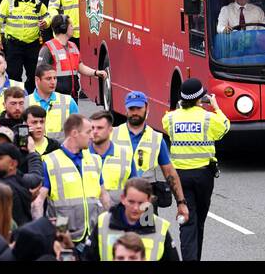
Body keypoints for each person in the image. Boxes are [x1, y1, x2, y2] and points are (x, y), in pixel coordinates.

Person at [162, 78, 230, 261]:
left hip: (179, 177)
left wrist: (179, 107)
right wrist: (216, 106)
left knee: (187, 221)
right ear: (201, 98)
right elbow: (225, 126)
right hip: (203, 176)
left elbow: (166, 124)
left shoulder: (170, 117)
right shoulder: (209, 118)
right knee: (199, 221)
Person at [112, 91, 189, 223]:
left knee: (147, 241)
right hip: (117, 200)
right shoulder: (112, 135)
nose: (135, 112)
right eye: (131, 109)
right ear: (126, 109)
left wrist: (181, 202)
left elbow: (169, 172)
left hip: (145, 203)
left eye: (139, 108)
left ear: (147, 108)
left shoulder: (156, 139)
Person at [42, 114, 105, 250]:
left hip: (93, 237)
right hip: (65, 239)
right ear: (74, 133)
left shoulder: (95, 160)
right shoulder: (50, 161)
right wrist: (58, 234)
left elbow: (103, 196)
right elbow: (39, 203)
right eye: (88, 132)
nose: (92, 136)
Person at [85, 177, 179, 261]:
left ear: (149, 201)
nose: (135, 208)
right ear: (123, 198)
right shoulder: (104, 222)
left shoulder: (160, 227)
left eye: (140, 203)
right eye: (131, 202)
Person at [0, 0, 50, 85]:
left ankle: (30, 99)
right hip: (14, 45)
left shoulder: (37, 2)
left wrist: (46, 22)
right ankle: (16, 98)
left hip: (32, 45)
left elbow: (48, 16)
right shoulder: (8, 2)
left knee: (34, 74)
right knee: (13, 74)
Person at [29, 64, 80, 140]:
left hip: (61, 150)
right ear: (37, 80)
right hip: (34, 150)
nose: (53, 82)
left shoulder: (68, 101)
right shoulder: (25, 102)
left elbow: (78, 129)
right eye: (48, 79)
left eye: (55, 78)